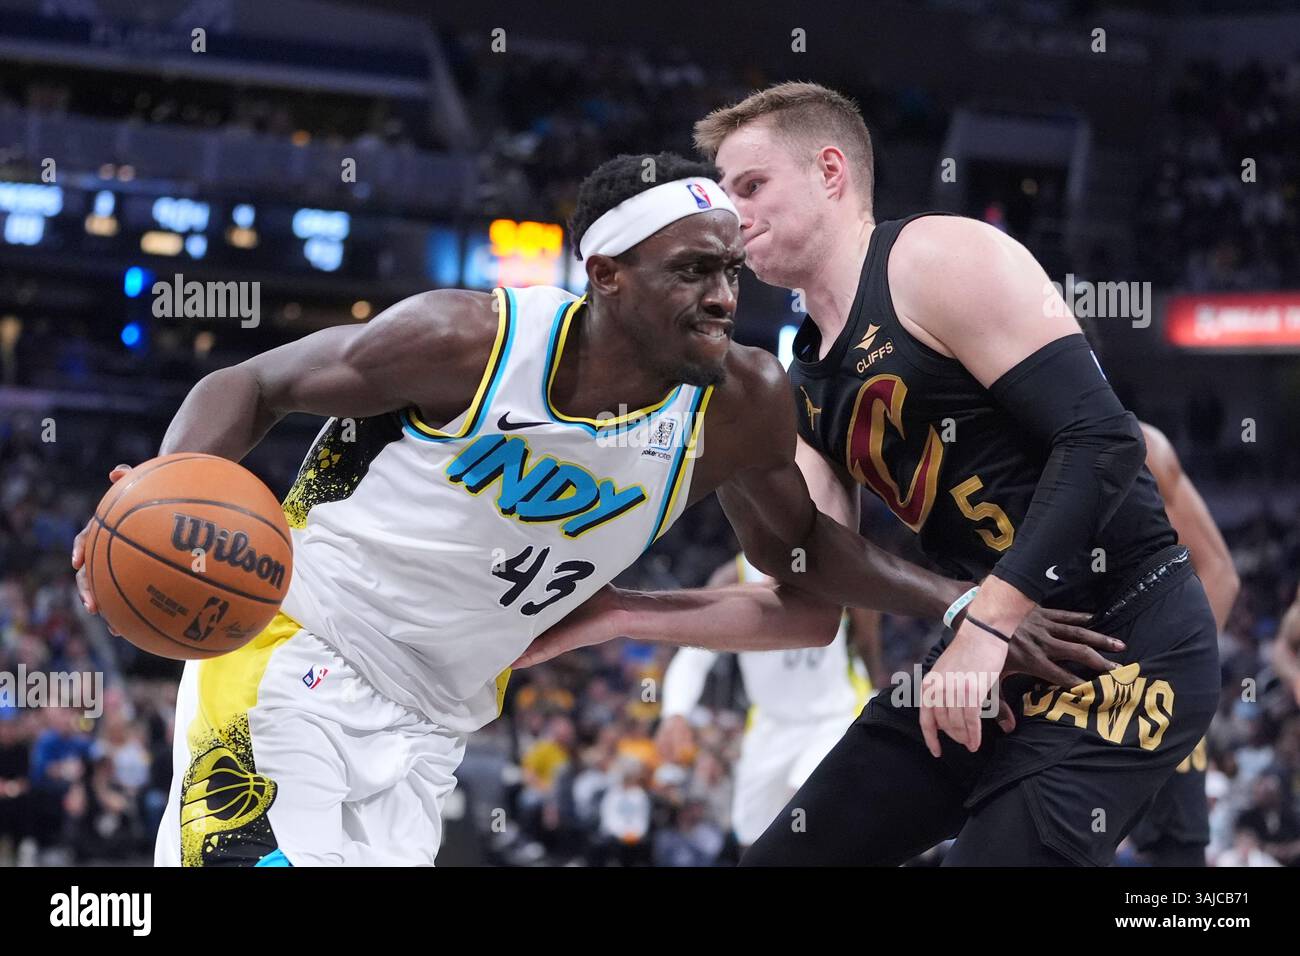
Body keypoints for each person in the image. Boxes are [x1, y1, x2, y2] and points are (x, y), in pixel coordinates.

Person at [71, 151, 1102, 867]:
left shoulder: (737, 403)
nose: (721, 296)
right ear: (605, 275)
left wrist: (968, 603)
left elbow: (802, 558)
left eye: (730, 272)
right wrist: (164, 487)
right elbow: (250, 385)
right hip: (300, 642)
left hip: (437, 715)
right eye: (692, 271)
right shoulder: (466, 339)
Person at [520, 82, 1220, 866]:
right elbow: (806, 605)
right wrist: (621, 612)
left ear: (830, 171)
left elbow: (1102, 441)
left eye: (751, 186)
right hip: (988, 653)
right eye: (724, 195)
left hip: (1124, 636)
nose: (733, 214)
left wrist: (985, 621)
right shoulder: (804, 382)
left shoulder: (936, 256)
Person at [657, 552, 874, 848]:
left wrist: (878, 697)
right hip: (772, 721)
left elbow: (868, 643)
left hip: (836, 715)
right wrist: (675, 713)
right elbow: (695, 654)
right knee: (751, 836)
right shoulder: (734, 580)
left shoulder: (838, 564)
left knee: (807, 804)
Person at [1125, 422, 1239, 866]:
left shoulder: (1140, 445)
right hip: (1060, 678)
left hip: (1149, 683)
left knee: (1175, 851)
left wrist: (1172, 676)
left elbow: (1220, 575)